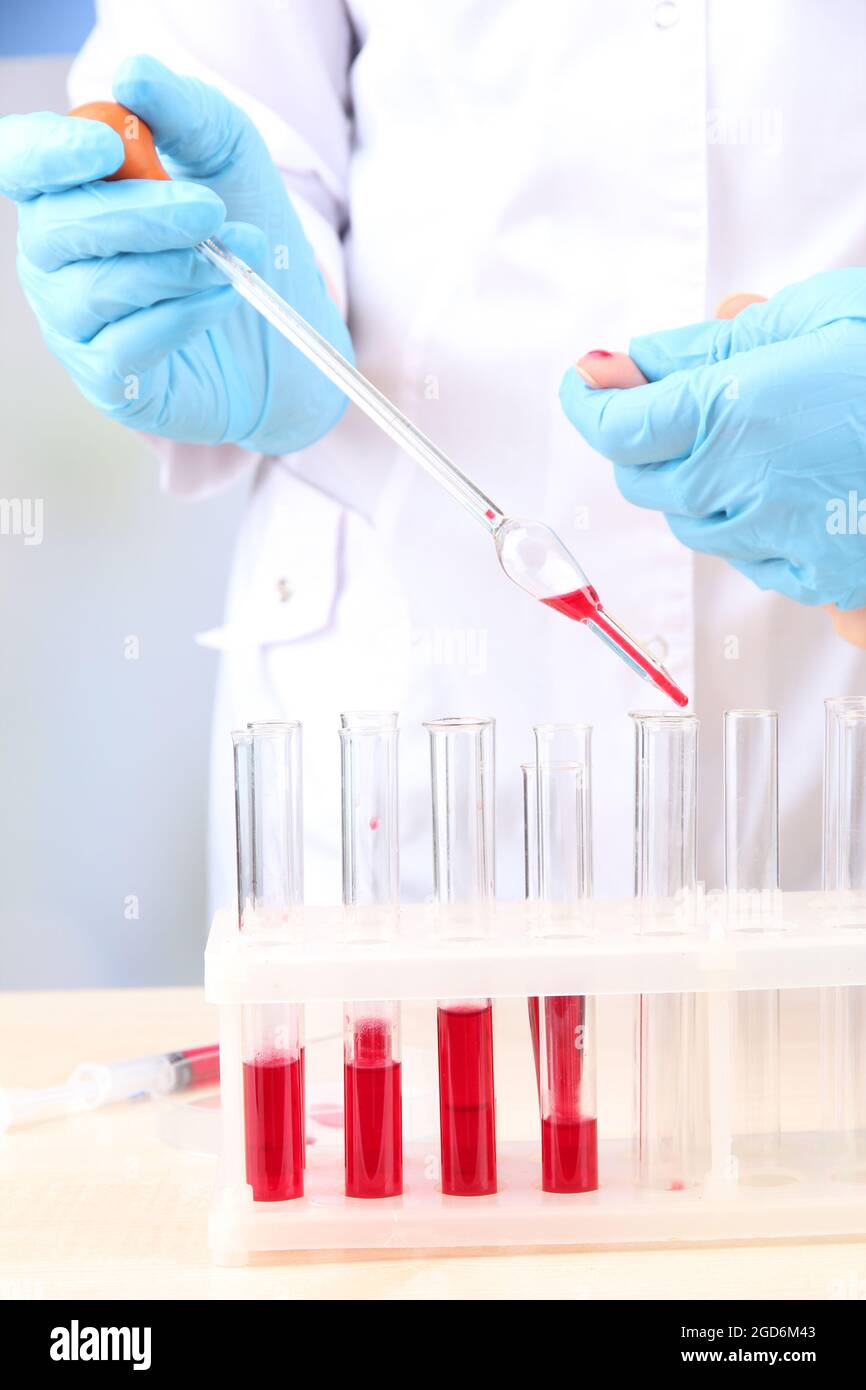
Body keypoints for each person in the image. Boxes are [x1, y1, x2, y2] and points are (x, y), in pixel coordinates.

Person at [1, 0, 865, 908]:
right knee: (375, 1041)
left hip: (825, 716)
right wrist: (216, 277)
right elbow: (205, 107)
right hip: (406, 730)